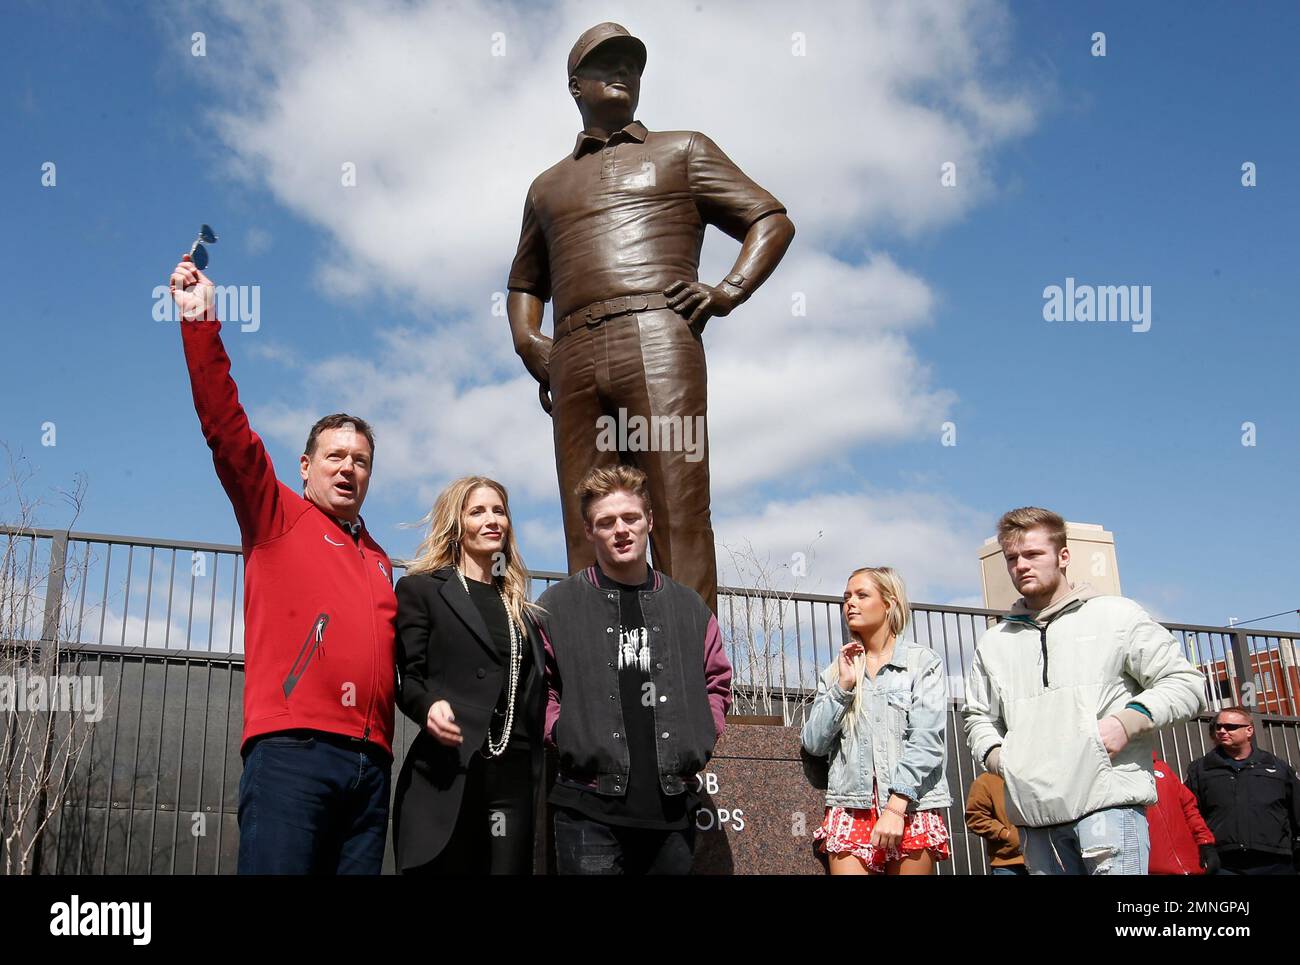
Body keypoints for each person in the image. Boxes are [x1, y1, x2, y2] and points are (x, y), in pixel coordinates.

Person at [507, 22, 795, 614]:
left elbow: (769, 219)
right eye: (604, 63)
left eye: (631, 65)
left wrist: (728, 290)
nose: (621, 73)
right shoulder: (547, 187)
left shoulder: (682, 149)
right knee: (588, 511)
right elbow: (523, 282)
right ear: (574, 84)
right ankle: (596, 667)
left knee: (677, 502)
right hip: (574, 353)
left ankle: (694, 674)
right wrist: (527, 341)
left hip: (659, 335)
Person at [167, 254, 396, 875]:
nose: (348, 467)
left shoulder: (380, 562)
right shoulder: (275, 516)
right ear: (305, 466)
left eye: (361, 460)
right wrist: (198, 318)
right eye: (334, 456)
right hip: (293, 755)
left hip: (372, 766)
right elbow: (226, 427)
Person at [963, 506, 1205, 875]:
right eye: (1012, 558)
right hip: (1033, 816)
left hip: (1107, 803)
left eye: (1033, 554)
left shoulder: (1116, 615)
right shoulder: (994, 642)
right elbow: (979, 715)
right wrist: (1000, 757)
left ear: (1063, 556)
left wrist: (1127, 721)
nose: (1021, 566)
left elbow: (1185, 683)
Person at [537, 464, 732, 874]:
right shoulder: (556, 606)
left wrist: (704, 731)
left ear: (649, 521)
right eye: (605, 522)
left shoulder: (689, 607)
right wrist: (560, 731)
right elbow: (540, 688)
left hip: (672, 810)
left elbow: (717, 680)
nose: (620, 530)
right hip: (587, 810)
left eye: (630, 518)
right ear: (590, 531)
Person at [391, 477, 547, 874]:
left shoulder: (522, 611)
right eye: (477, 511)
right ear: (456, 524)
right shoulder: (421, 590)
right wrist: (428, 706)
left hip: (512, 780)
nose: (491, 519)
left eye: (498, 511)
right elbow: (408, 679)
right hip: (446, 775)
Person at [801, 567, 950, 875]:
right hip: (851, 808)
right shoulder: (835, 671)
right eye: (846, 597)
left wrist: (896, 807)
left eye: (861, 595)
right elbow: (813, 743)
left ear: (889, 603)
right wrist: (843, 688)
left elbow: (926, 740)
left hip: (909, 806)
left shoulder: (922, 663)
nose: (850, 604)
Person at [1185, 706, 1300, 875]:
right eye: (1218, 726)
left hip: (1275, 861)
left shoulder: (1276, 766)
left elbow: (1296, 807)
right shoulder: (1201, 769)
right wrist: (1204, 849)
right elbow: (1189, 812)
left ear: (1249, 730)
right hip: (1224, 863)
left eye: (1230, 727)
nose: (1222, 731)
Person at [1147, 751, 1217, 875]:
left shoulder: (1161, 767)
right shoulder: (1114, 775)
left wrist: (1205, 844)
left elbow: (1189, 807)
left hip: (1193, 866)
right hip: (1155, 870)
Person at [964, 771, 1026, 875]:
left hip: (1047, 857)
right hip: (1008, 862)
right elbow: (975, 816)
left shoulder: (1038, 773)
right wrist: (1006, 834)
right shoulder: (986, 780)